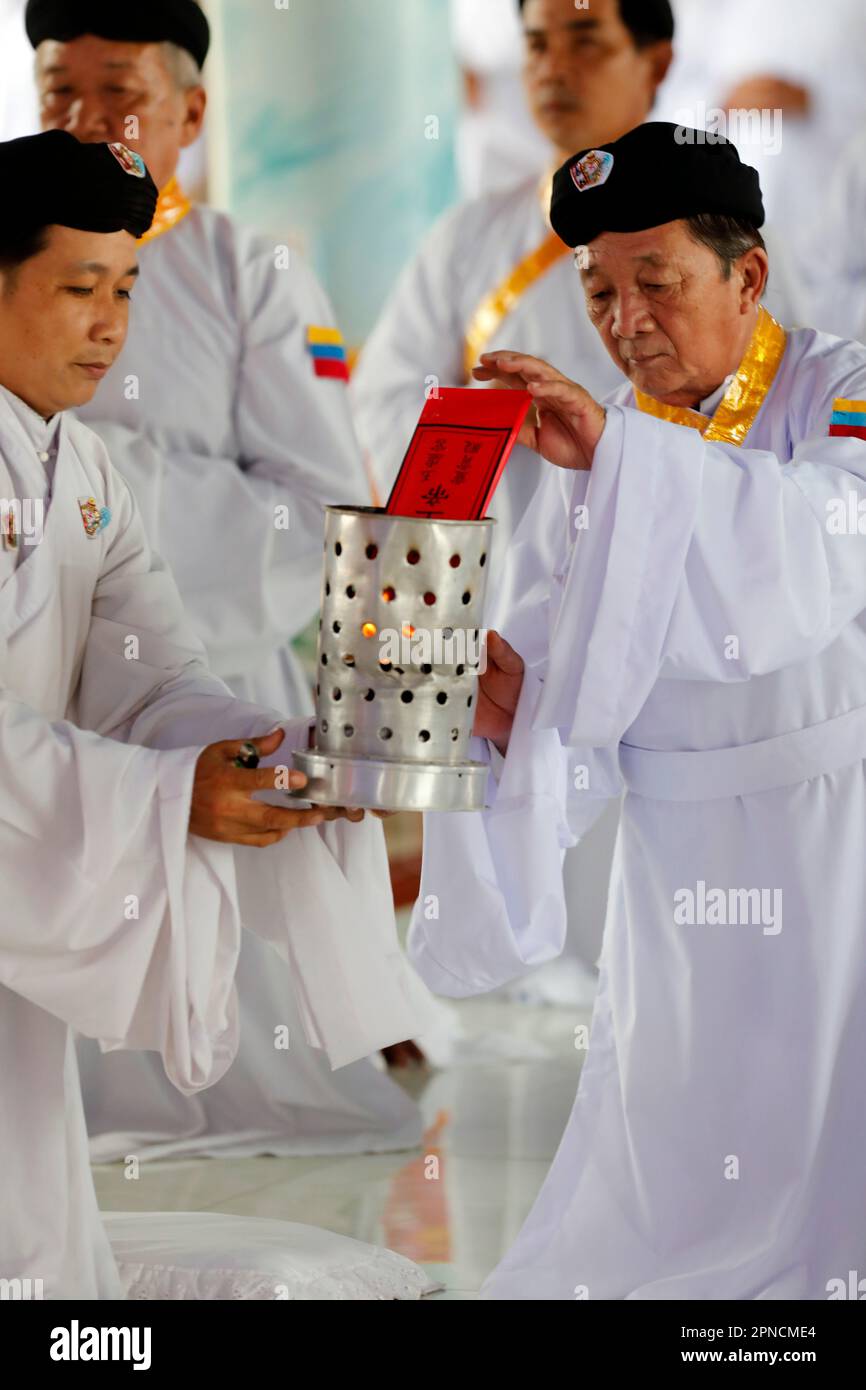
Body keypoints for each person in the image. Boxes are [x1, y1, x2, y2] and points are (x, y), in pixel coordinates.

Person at [409, 122, 866, 1299]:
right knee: (669, 1126)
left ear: (745, 275)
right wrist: (497, 700)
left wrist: (618, 459)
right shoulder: (600, 447)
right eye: (597, 292)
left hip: (832, 834)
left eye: (651, 284)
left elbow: (823, 546)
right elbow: (568, 687)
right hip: (674, 865)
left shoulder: (842, 387)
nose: (620, 323)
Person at [0, 128, 434, 1300]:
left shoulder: (82, 469)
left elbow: (148, 676)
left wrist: (262, 754)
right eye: (79, 288)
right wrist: (162, 794)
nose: (110, 324)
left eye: (127, 288)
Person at [352, 0, 678, 1002]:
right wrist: (482, 416)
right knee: (508, 807)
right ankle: (506, 982)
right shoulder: (473, 235)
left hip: (649, 583)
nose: (553, 68)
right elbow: (382, 389)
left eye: (586, 40)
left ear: (652, 60)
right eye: (536, 43)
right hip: (499, 585)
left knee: (641, 843)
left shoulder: (710, 230)